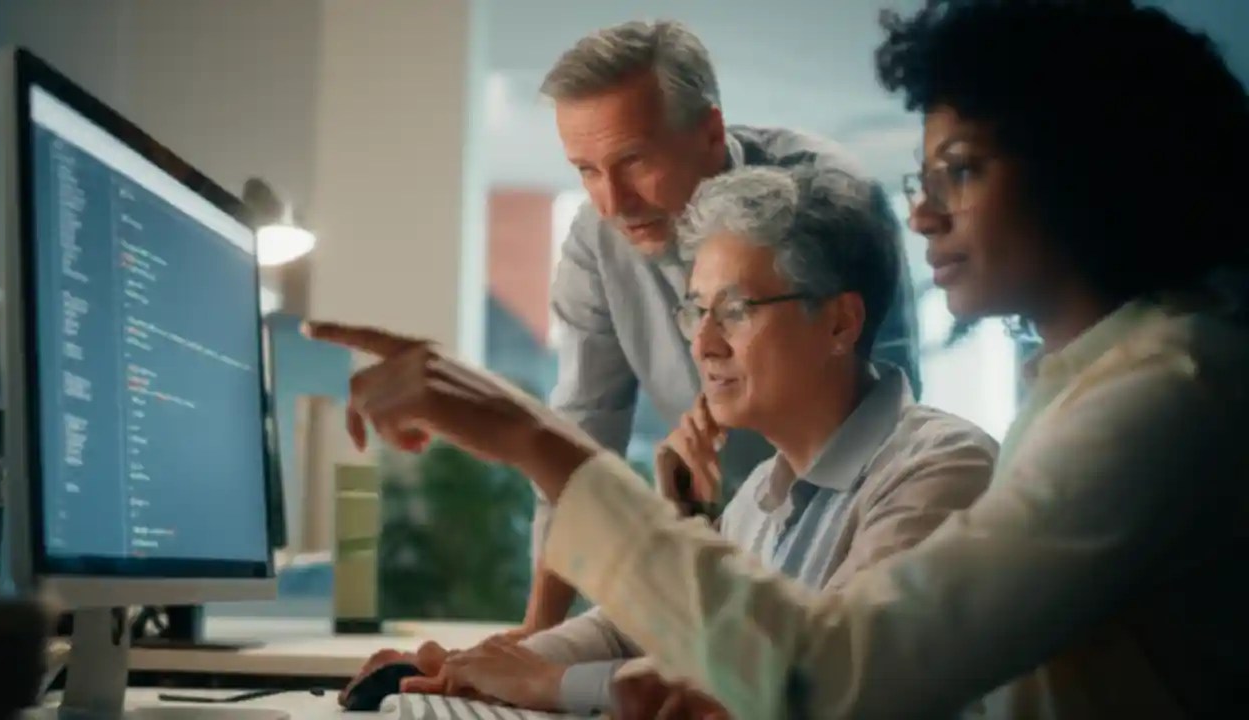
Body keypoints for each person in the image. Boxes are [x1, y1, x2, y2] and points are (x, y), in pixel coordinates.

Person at [309, 1, 1249, 717]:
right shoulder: (1092, 386)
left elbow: (828, 673)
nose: (923, 214)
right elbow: (724, 646)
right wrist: (524, 655)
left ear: (1084, 166)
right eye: (693, 309)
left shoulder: (1165, 396)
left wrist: (529, 439)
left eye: (960, 170)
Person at [381, 166, 995, 715]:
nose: (703, 345)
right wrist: (482, 671)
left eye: (734, 310)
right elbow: (630, 630)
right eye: (696, 311)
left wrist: (556, 683)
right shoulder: (760, 491)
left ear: (839, 322)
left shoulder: (940, 471)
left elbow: (820, 686)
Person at [523, 19, 923, 636]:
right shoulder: (596, 240)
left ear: (711, 132)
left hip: (848, 532)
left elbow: (886, 406)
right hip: (715, 529)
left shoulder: (829, 203)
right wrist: (535, 634)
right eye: (586, 170)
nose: (613, 203)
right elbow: (579, 440)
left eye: (633, 160)